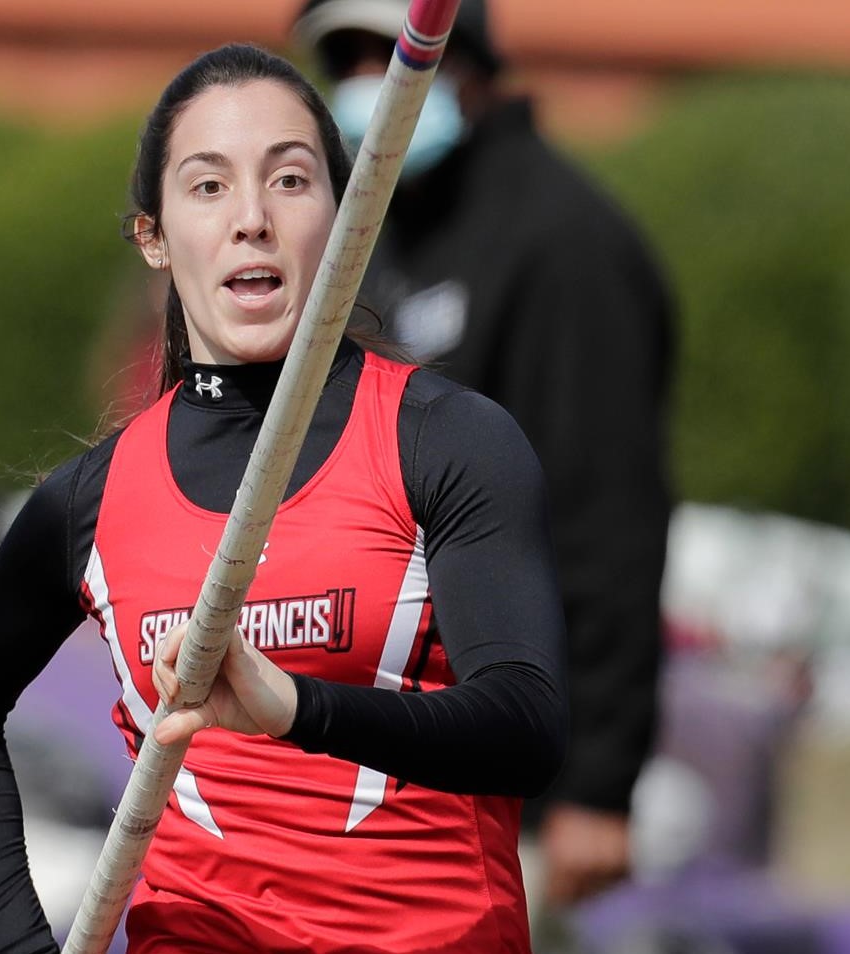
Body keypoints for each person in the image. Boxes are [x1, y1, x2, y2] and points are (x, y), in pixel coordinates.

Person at [0, 43, 567, 954]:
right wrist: (10, 939)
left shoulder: (446, 441)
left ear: (346, 217)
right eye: (208, 186)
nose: (251, 218)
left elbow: (526, 727)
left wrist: (293, 706)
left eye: (291, 181)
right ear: (153, 235)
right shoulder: (92, 503)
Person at [292, 0, 674, 910]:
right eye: (342, 58)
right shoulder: (379, 232)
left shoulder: (563, 244)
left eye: (386, 54)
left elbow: (609, 517)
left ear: (462, 57)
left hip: (511, 785)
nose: (363, 84)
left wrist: (595, 783)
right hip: (385, 761)